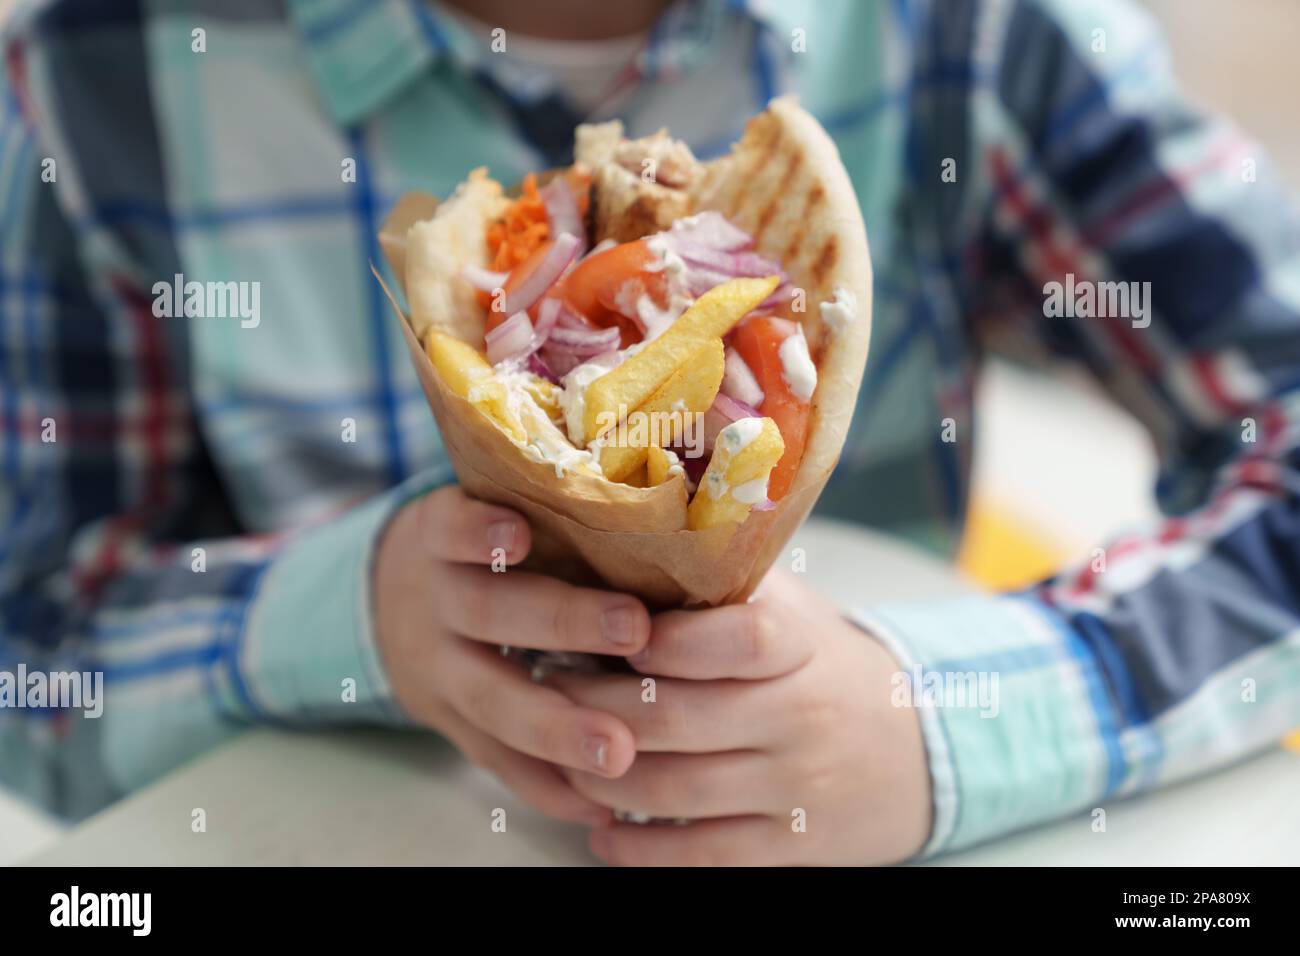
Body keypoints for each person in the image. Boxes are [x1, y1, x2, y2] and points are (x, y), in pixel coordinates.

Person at [1, 0, 1298, 866]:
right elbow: (30, 657)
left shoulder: (976, 31)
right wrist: (349, 617)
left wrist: (939, 728)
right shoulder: (99, 83)